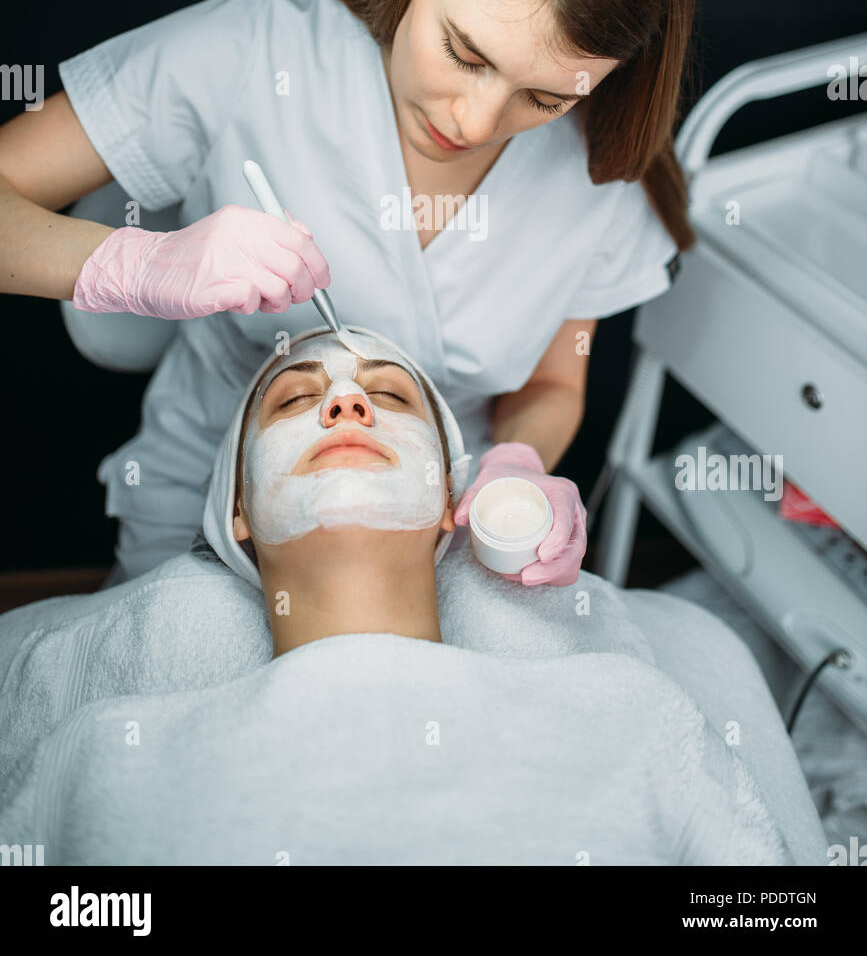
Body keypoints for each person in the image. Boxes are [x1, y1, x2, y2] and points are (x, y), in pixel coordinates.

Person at [0, 0, 694, 584]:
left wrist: (515, 463)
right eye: (463, 53)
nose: (473, 120)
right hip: (197, 516)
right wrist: (135, 265)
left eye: (542, 98)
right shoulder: (254, 52)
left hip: (434, 532)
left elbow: (554, 384)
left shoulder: (597, 171)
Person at [0, 328, 828, 866]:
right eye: (295, 399)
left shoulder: (632, 715)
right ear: (238, 511)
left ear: (446, 503)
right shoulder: (108, 754)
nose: (346, 400)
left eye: (388, 396)